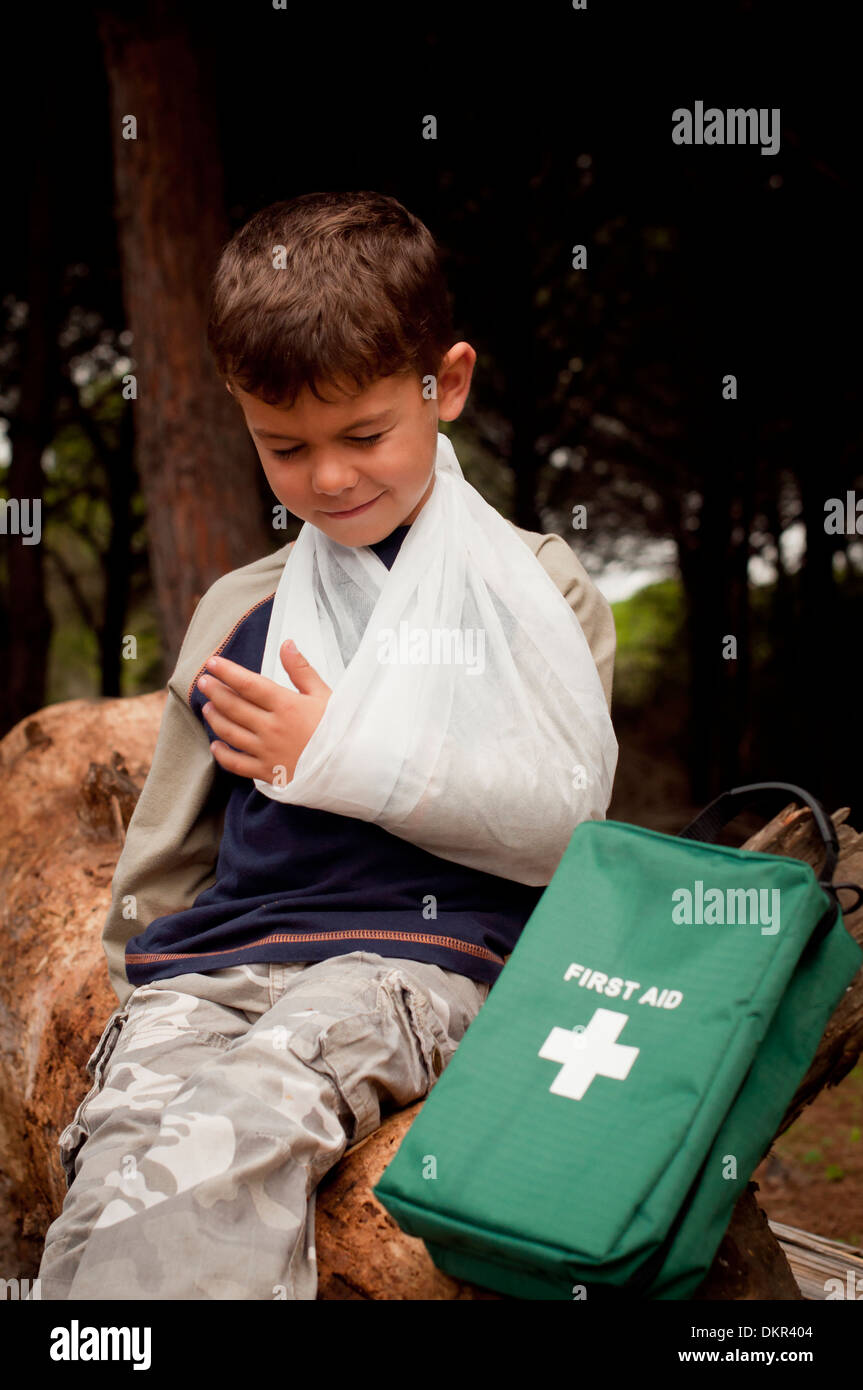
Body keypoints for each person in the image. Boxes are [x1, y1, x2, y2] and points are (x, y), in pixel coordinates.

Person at [36, 190, 616, 1300]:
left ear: (443, 384)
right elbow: (168, 846)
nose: (331, 477)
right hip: (218, 965)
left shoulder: (536, 592)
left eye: (362, 435)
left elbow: (562, 823)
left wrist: (341, 748)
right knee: (116, 1158)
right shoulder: (239, 612)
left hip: (416, 962)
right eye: (283, 447)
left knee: (256, 1107)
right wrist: (140, 992)